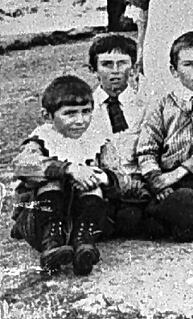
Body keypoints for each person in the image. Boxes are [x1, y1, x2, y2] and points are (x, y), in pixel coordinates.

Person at [11, 75, 117, 274]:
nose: (80, 120)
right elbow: (22, 165)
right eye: (70, 114)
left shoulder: (97, 141)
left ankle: (84, 243)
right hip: (41, 219)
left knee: (93, 182)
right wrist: (68, 169)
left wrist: (103, 177)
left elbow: (125, 179)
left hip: (84, 216)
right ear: (48, 116)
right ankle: (52, 244)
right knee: (51, 182)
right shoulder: (42, 139)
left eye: (86, 112)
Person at [134, 31, 193, 244]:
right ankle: (175, 215)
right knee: (183, 202)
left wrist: (179, 175)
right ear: (174, 70)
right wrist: (158, 181)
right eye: (188, 65)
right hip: (167, 180)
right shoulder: (163, 104)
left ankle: (174, 223)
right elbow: (146, 148)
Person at [80, 34, 148, 238]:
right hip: (102, 183)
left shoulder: (145, 105)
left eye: (122, 64)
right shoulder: (84, 109)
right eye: (107, 64)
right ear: (93, 69)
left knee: (132, 220)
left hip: (136, 184)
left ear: (134, 68)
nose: (115, 71)